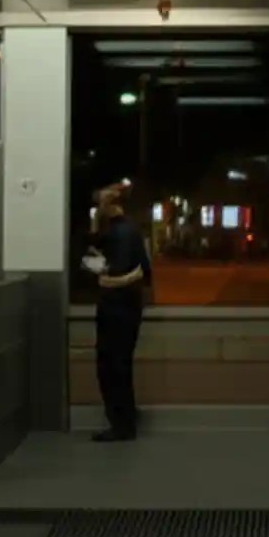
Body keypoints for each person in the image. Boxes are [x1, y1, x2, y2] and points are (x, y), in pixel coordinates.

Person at [86, 182, 152, 442]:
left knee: (112, 367)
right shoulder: (124, 230)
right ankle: (125, 417)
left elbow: (114, 270)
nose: (97, 209)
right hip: (124, 306)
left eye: (100, 204)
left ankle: (121, 423)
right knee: (118, 364)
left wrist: (101, 272)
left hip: (117, 307)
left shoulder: (120, 232)